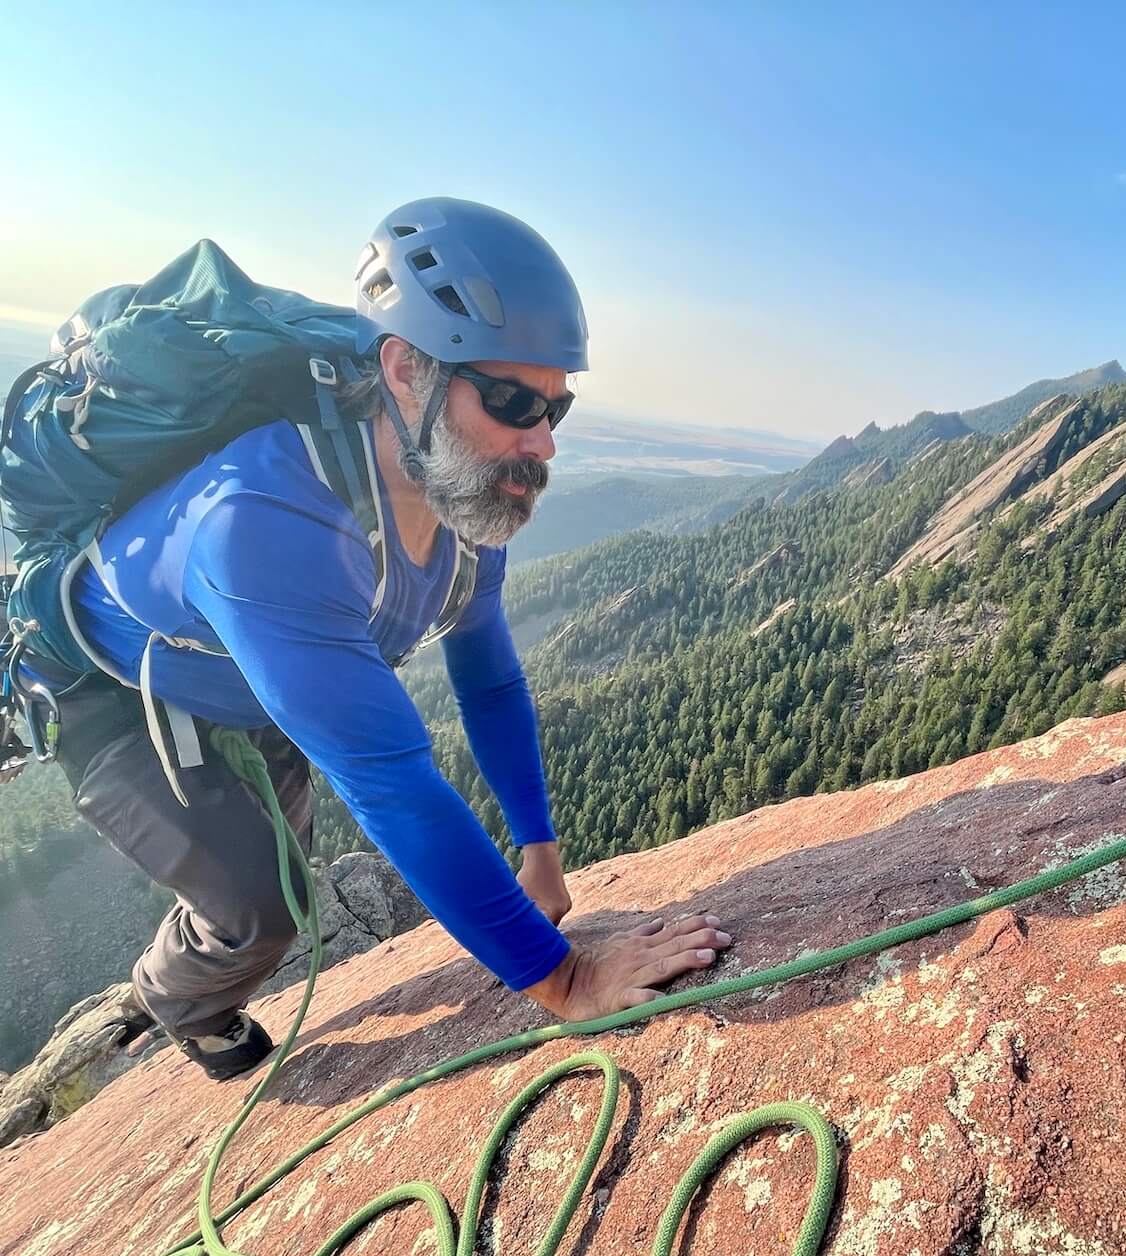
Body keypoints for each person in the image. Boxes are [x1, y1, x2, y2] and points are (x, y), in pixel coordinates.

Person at [48, 198, 732, 1079]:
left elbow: (487, 678)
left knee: (284, 874)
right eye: (513, 399)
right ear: (405, 369)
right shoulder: (265, 522)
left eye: (555, 411)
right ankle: (178, 998)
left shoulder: (457, 499)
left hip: (253, 674)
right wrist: (565, 980)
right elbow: (392, 785)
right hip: (122, 695)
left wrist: (542, 856)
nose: (540, 443)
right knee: (260, 908)